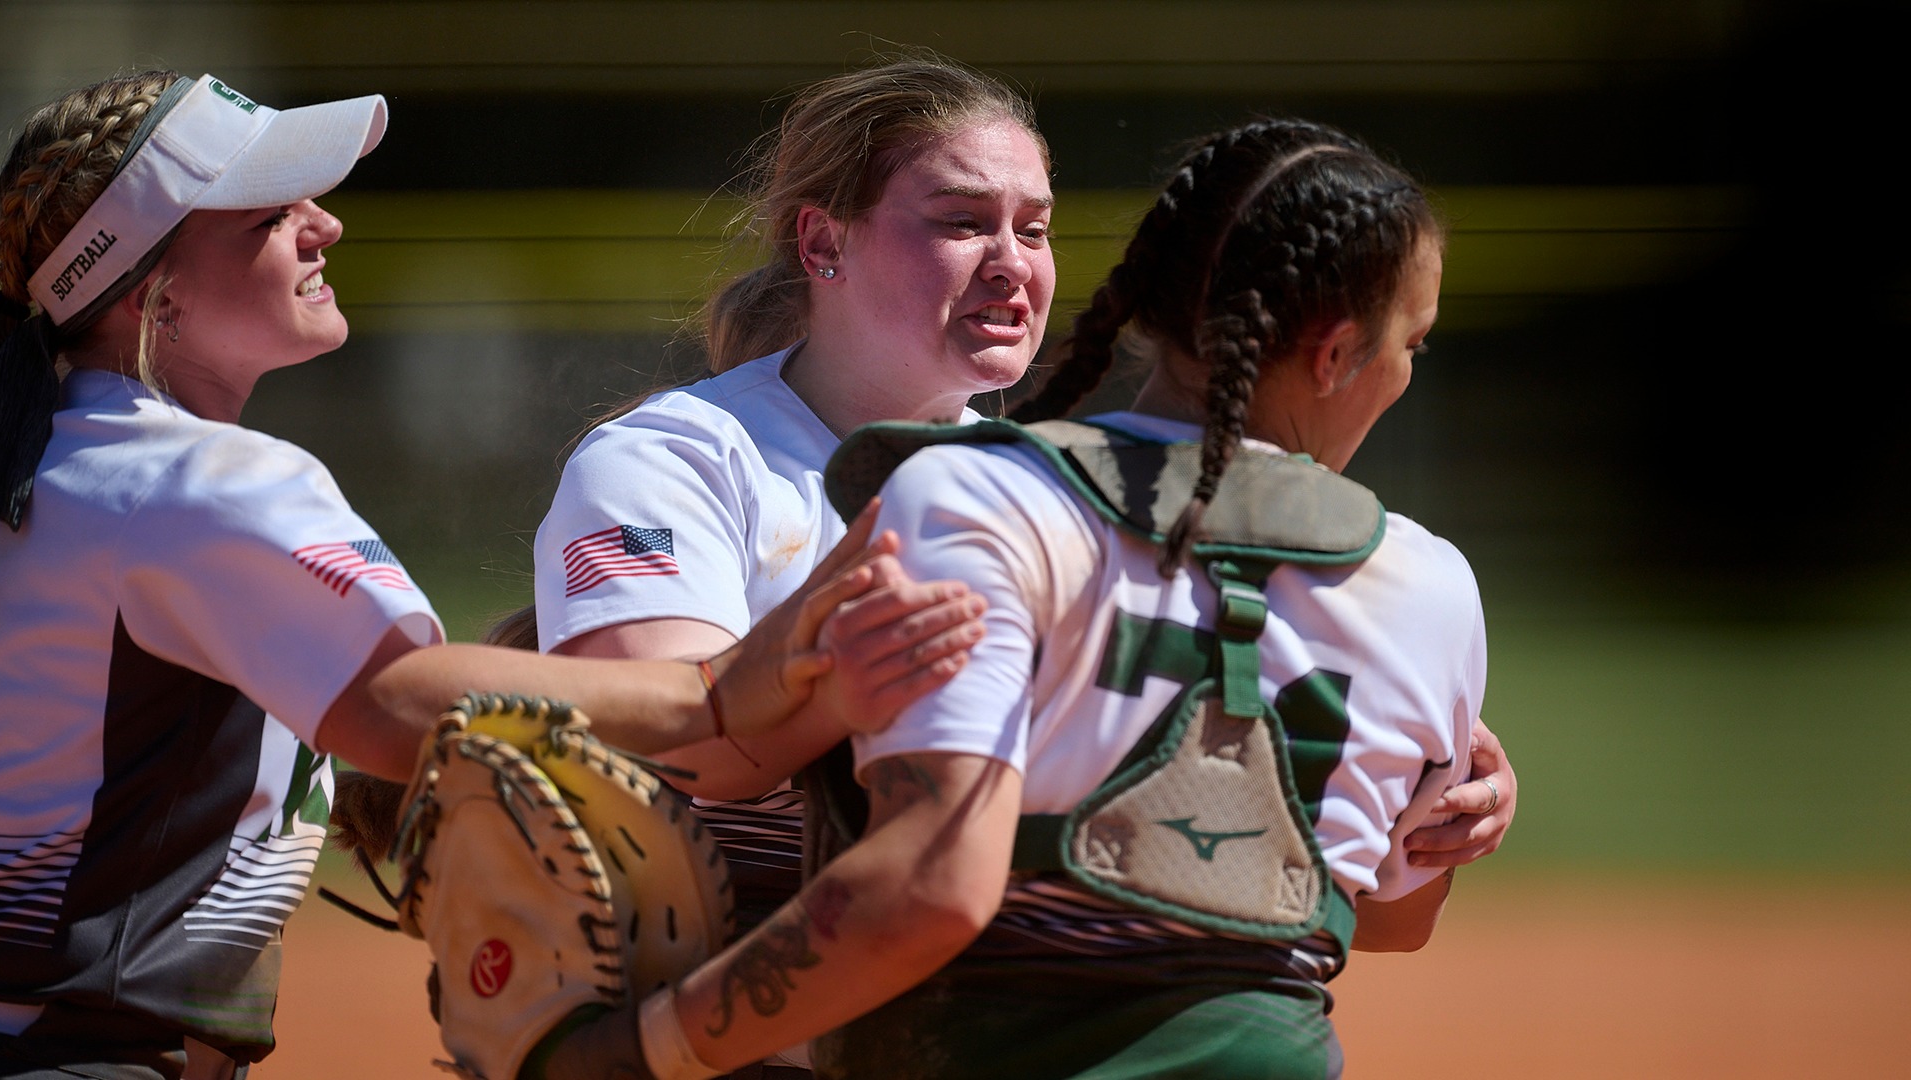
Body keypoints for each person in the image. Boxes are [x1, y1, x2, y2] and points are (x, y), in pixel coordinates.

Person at [0, 71, 984, 1080]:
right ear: (150, 288)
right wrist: (720, 690)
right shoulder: (191, 478)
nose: (323, 226)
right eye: (269, 216)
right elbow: (396, 705)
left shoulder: (56, 464)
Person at [523, 115, 1488, 1080]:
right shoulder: (689, 457)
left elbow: (1373, 907)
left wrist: (1420, 811)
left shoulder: (1004, 497)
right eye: (962, 222)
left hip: (845, 1025)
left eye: (1035, 228)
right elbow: (666, 750)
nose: (1011, 262)